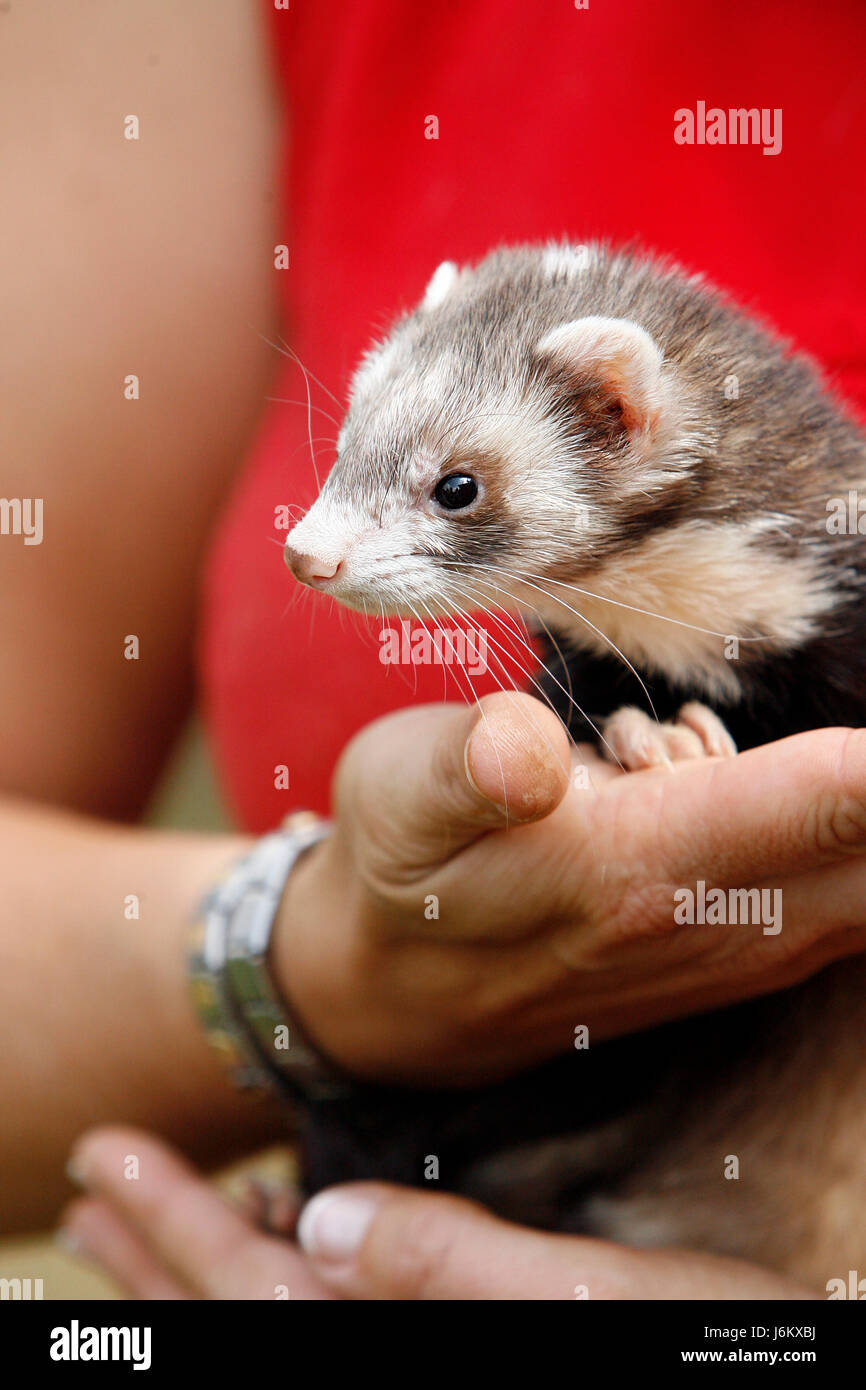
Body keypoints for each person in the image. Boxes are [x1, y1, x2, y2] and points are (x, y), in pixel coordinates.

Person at [2, 0, 864, 1299]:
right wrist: (317, 956)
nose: (320, 544)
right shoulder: (605, 668)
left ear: (618, 420)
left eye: (453, 491)